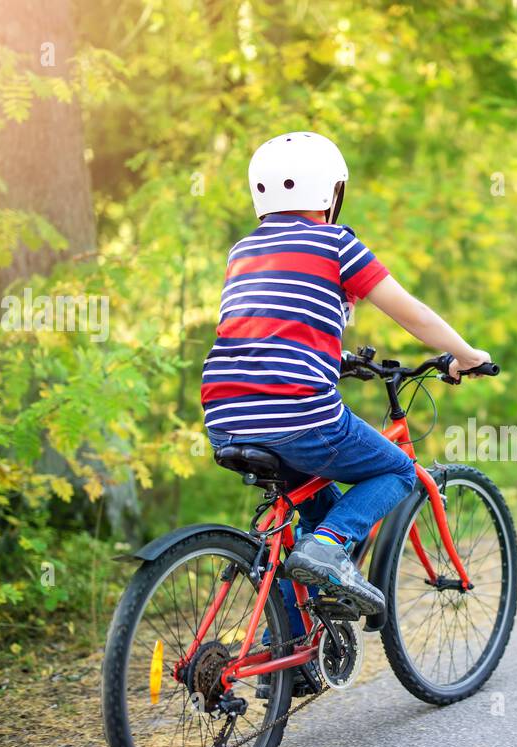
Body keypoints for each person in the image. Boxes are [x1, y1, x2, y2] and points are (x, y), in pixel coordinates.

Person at [201, 131, 490, 617]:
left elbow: (271, 328)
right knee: (397, 470)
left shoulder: (242, 251)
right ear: (331, 192)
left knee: (312, 503)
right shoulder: (337, 243)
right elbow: (411, 313)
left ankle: (288, 651)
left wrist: (334, 359)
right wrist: (465, 353)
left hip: (226, 414)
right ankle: (330, 546)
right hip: (300, 415)